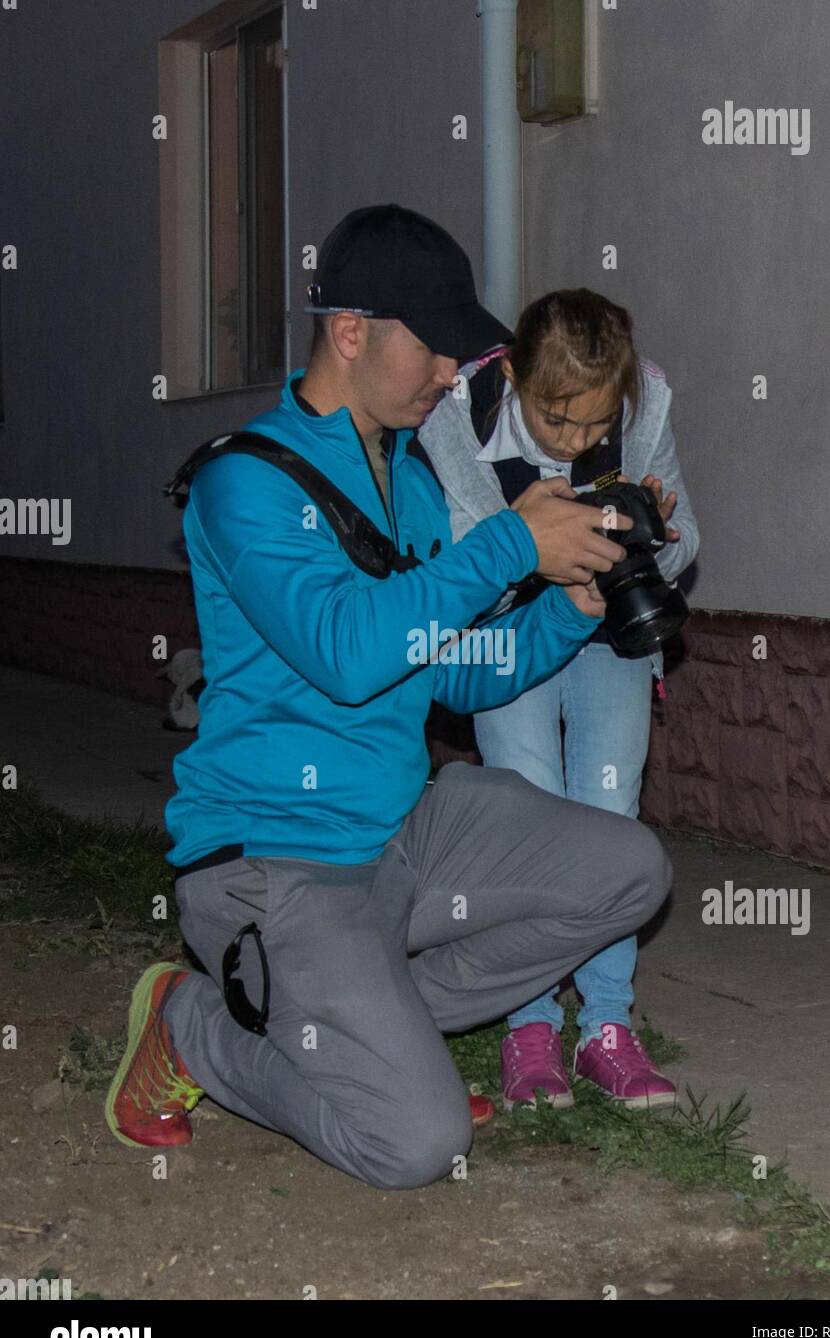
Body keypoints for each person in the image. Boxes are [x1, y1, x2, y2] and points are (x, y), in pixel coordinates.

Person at [104, 205, 672, 1189]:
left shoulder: (406, 483)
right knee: (415, 1141)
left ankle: (373, 1019)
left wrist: (568, 607)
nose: (452, 375)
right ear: (351, 331)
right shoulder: (245, 482)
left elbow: (448, 668)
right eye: (436, 350)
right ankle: (192, 1025)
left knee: (628, 867)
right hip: (277, 865)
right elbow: (345, 652)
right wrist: (507, 546)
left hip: (399, 839)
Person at [420, 289, 698, 1111]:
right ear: (512, 375)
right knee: (528, 817)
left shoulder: (642, 402)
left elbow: (687, 546)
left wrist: (664, 536)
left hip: (604, 632)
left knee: (609, 814)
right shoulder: (455, 421)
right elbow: (462, 556)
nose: (577, 441)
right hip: (506, 636)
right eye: (557, 421)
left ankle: (607, 1027)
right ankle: (530, 1027)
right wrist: (532, 551)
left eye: (593, 425)